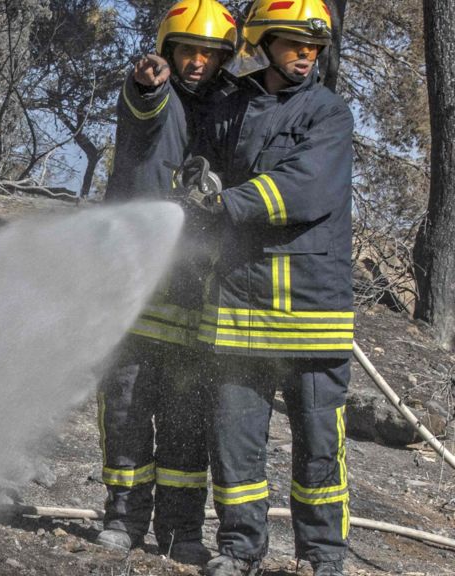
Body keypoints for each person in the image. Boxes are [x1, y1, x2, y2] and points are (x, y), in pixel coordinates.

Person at [183, 2, 354, 575]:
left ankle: (323, 556)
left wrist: (225, 202)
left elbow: (306, 188)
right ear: (263, 41)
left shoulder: (329, 113)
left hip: (312, 308)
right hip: (238, 304)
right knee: (234, 441)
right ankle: (239, 549)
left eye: (314, 47)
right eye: (294, 43)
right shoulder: (231, 106)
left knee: (318, 444)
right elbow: (194, 143)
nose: (307, 54)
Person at [96, 0, 236, 565]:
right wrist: (148, 85)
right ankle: (122, 517)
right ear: (167, 52)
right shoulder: (156, 96)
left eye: (208, 53)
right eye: (186, 51)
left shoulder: (232, 111)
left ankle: (181, 530)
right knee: (127, 403)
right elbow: (142, 107)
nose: (196, 62)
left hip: (193, 288)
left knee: (184, 415)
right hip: (132, 284)